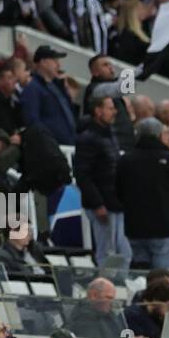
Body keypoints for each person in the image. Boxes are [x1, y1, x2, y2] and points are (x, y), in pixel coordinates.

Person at [116, 118, 169, 269]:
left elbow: (118, 191)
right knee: (164, 278)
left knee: (139, 277)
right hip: (164, 227)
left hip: (134, 227)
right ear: (159, 135)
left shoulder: (125, 160)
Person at [74, 93, 130, 263]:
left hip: (115, 202)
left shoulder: (108, 135)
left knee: (121, 252)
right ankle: (105, 286)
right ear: (98, 111)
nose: (114, 112)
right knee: (109, 252)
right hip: (104, 204)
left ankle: (113, 285)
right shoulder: (89, 138)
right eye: (110, 108)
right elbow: (82, 174)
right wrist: (97, 204)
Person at [19, 46, 77, 146]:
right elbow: (33, 122)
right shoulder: (33, 88)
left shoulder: (58, 87)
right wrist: (47, 144)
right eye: (55, 60)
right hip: (53, 149)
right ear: (43, 62)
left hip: (68, 145)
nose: (58, 64)